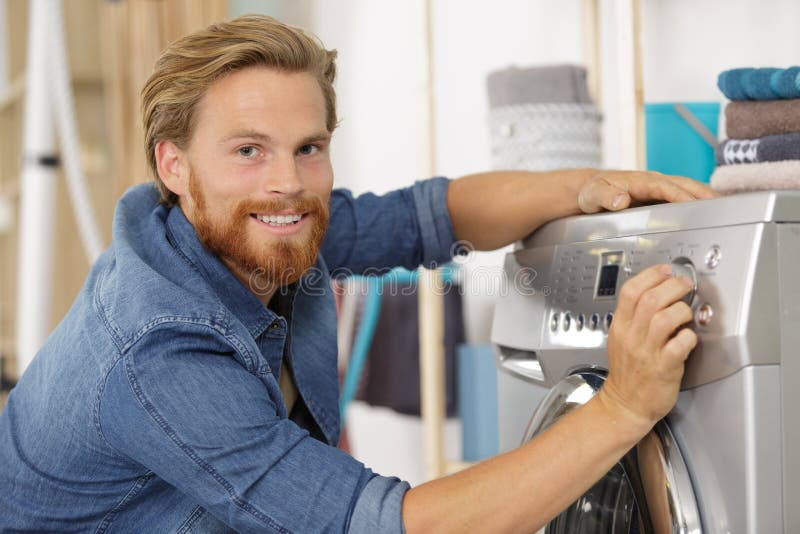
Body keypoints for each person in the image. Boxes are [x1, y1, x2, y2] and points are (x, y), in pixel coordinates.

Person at [0, 14, 713, 533]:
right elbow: (389, 526)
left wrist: (584, 188)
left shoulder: (266, 226)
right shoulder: (160, 351)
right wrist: (622, 407)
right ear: (173, 165)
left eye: (309, 147)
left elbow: (433, 214)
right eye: (248, 149)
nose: (288, 182)